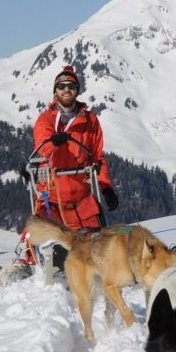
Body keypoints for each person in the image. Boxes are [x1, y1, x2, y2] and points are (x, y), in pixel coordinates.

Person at [32, 65, 117, 244]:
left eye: (71, 86)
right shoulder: (46, 119)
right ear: (55, 92)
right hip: (54, 198)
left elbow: (97, 156)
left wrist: (105, 187)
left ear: (77, 90)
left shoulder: (89, 120)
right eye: (61, 86)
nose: (66, 90)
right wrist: (53, 142)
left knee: (96, 245)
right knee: (52, 248)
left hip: (82, 199)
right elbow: (43, 147)